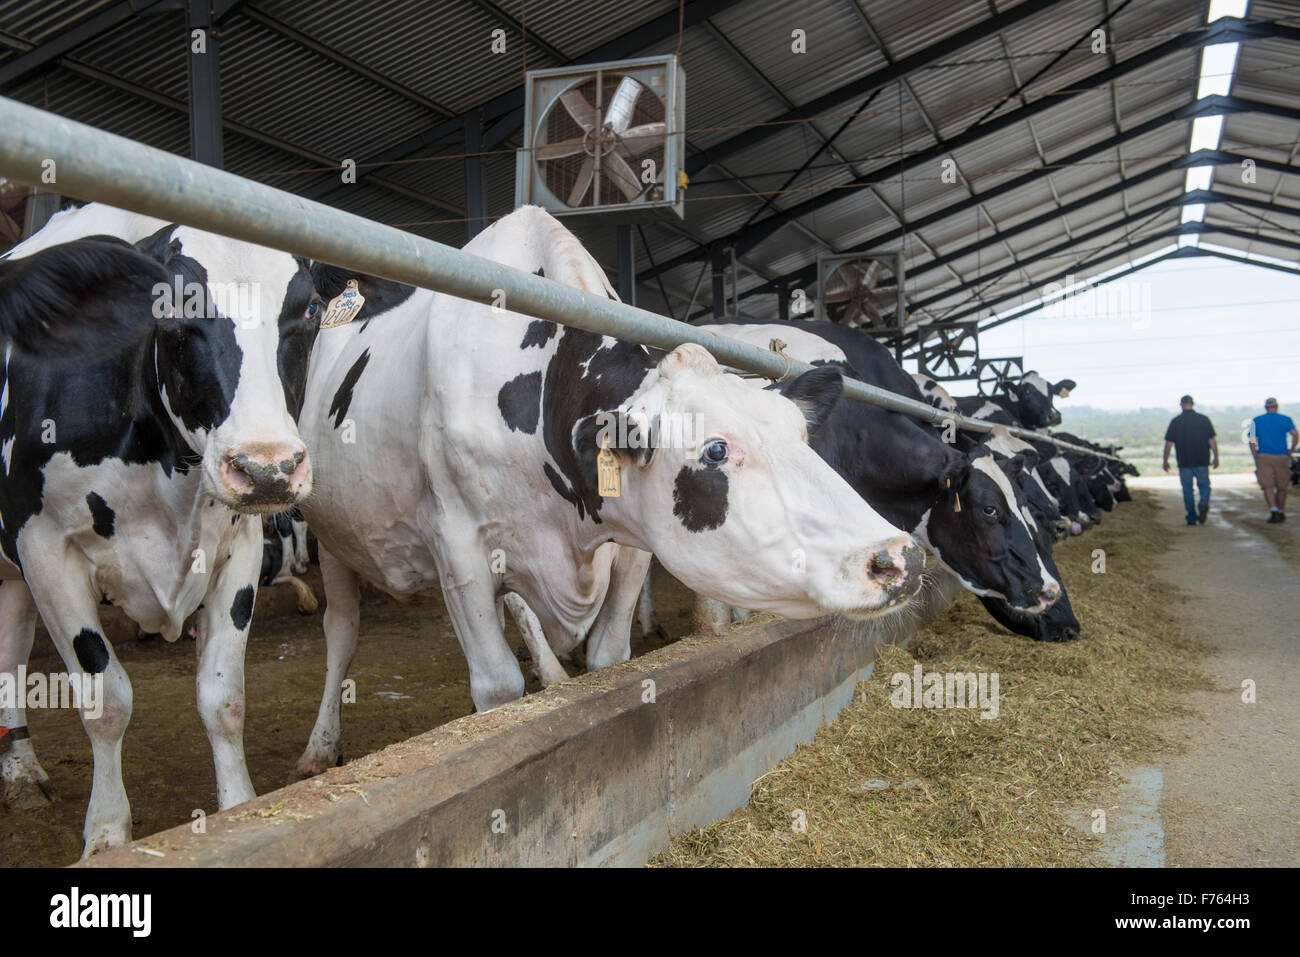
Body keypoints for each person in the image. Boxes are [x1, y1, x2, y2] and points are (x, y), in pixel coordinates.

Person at [1163, 394, 1218, 526]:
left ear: (1181, 405)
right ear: (1192, 404)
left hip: (1184, 462)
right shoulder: (1204, 420)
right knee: (1204, 486)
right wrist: (1216, 456)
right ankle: (1204, 503)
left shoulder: (1176, 421)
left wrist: (1165, 460)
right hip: (1202, 460)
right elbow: (1212, 440)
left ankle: (1191, 517)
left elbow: (1169, 443)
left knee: (1187, 490)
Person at [1248, 397, 1298, 523]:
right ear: (1277, 407)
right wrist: (1291, 450)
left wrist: (1255, 454)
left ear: (1266, 407)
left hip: (1264, 456)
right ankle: (1281, 511)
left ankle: (1274, 510)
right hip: (1282, 456)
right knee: (1282, 487)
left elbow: (1252, 440)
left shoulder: (1257, 420)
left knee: (1267, 486)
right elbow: (1295, 435)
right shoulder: (1285, 419)